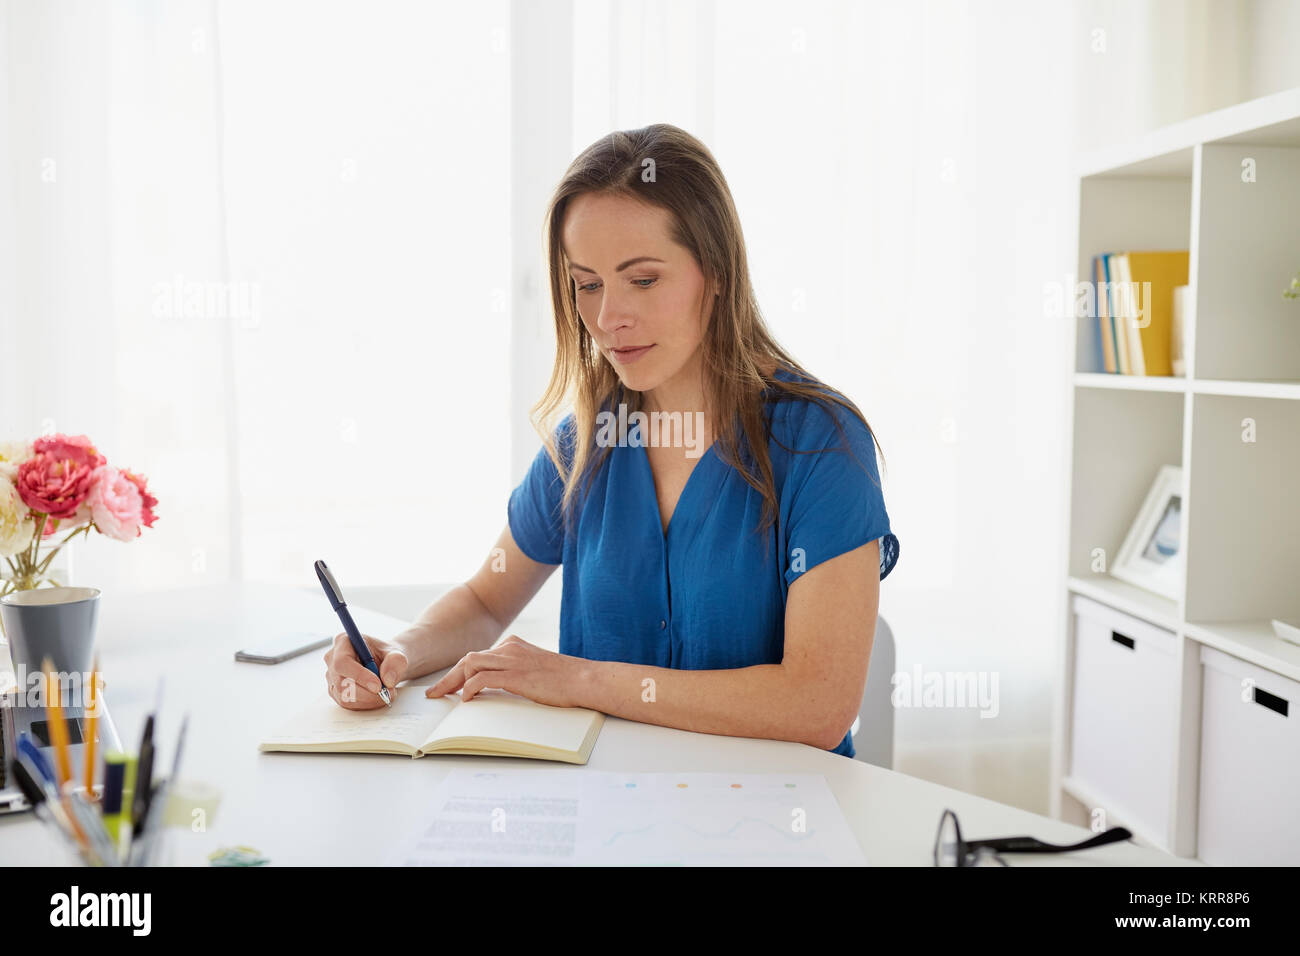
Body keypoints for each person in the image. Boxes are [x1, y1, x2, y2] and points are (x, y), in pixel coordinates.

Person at [324, 123, 898, 757]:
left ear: (716, 272)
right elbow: (486, 602)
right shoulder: (586, 446)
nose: (607, 318)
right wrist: (401, 649)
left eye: (642, 280)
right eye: (588, 283)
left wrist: (579, 680)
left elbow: (816, 704)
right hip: (608, 818)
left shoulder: (822, 446)